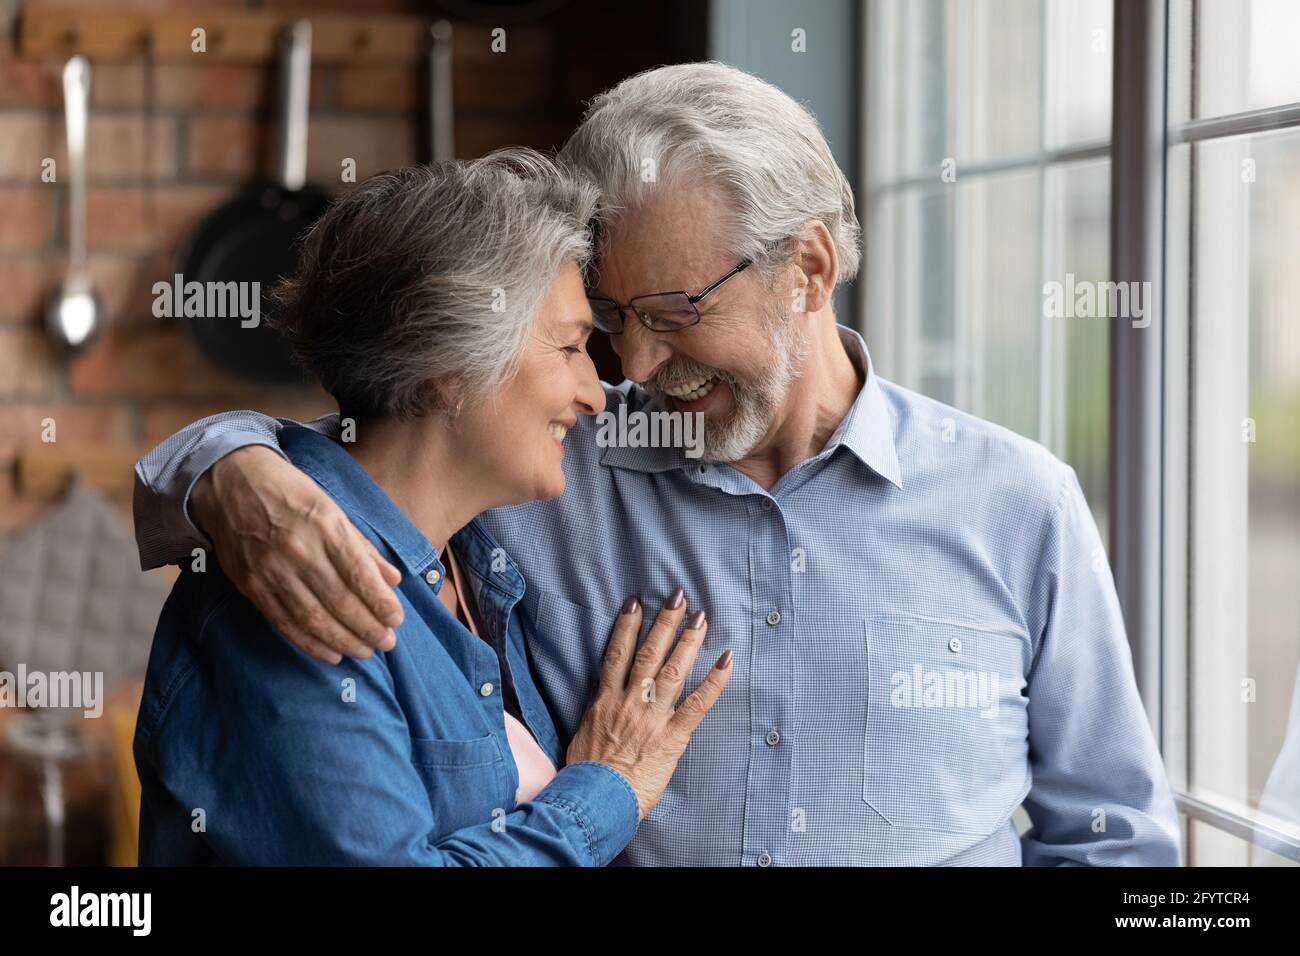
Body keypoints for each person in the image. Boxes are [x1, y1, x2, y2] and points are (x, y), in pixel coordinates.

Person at [134, 63, 1180, 865]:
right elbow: (373, 440)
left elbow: (1114, 837)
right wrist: (226, 467)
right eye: (614, 320)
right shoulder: (546, 464)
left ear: (807, 268)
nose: (631, 366)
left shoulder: (1018, 502)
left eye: (675, 314)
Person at [133, 152, 731, 866]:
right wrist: (607, 791)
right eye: (571, 347)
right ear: (448, 364)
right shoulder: (302, 584)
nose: (597, 392)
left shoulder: (472, 554)